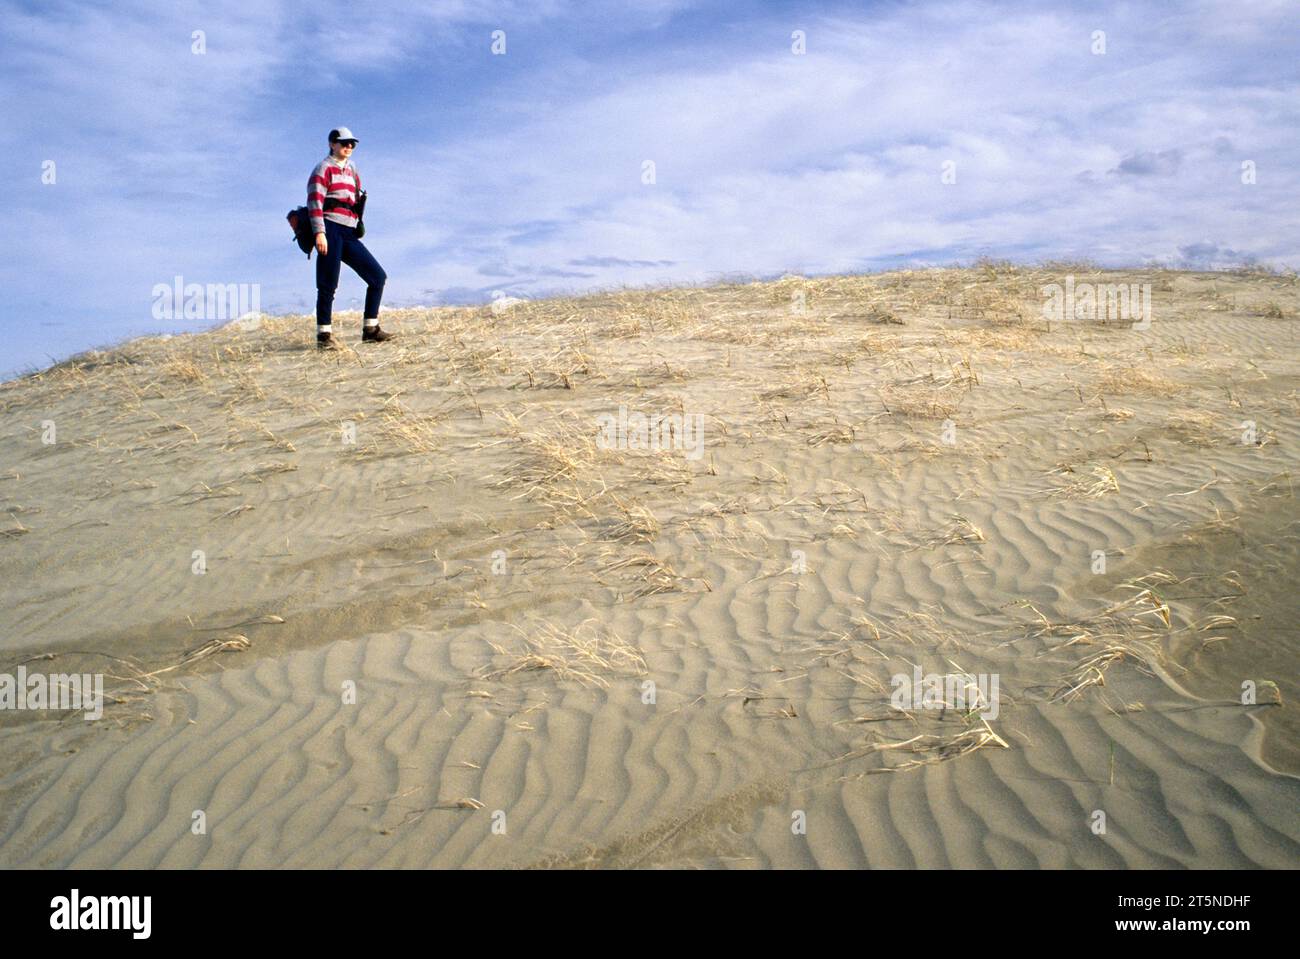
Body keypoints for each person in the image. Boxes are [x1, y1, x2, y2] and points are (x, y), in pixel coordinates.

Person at [307, 127, 392, 349]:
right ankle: (324, 336)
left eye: (352, 143)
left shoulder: (352, 169)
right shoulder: (322, 169)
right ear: (332, 144)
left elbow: (355, 197)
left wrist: (358, 222)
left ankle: (370, 329)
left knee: (377, 277)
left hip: (348, 231)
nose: (349, 147)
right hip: (330, 229)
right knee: (328, 283)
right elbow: (315, 202)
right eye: (344, 143)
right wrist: (319, 233)